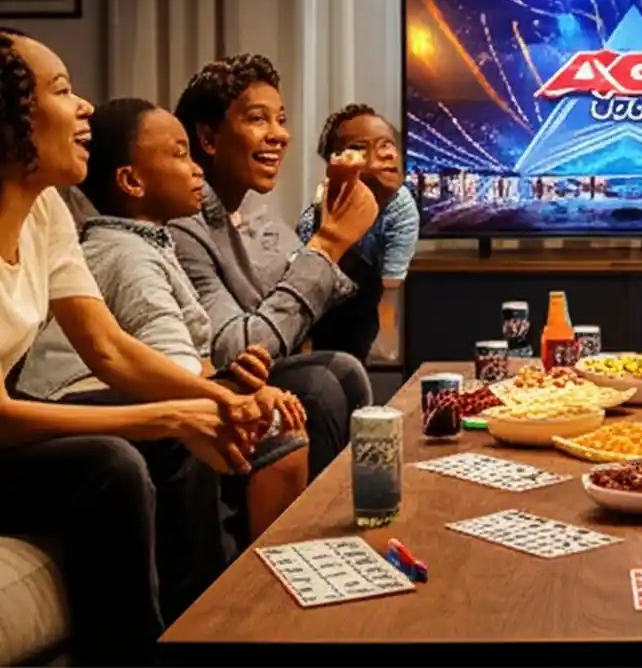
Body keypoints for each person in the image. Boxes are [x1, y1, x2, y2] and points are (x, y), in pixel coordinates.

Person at [0, 28, 268, 664]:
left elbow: (111, 349)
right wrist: (171, 413)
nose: (86, 105)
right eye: (63, 90)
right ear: (9, 120)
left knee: (176, 432)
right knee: (112, 465)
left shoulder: (47, 212)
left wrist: (213, 398)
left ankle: (211, 631)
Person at [16, 98, 310, 542]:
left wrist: (228, 380)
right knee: (267, 426)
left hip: (124, 383)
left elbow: (123, 347)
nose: (196, 170)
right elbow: (149, 360)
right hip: (73, 397)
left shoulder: (126, 234)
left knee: (312, 386)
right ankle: (239, 595)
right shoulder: (126, 251)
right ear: (131, 181)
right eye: (180, 154)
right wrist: (223, 392)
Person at [169, 53, 378, 480]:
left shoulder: (254, 211)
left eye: (281, 119)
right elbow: (239, 348)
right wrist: (327, 243)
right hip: (205, 388)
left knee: (344, 370)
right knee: (319, 387)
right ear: (208, 139)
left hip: (253, 380)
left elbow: (318, 305)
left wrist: (341, 229)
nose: (279, 135)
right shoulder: (181, 225)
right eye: (258, 120)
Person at [297, 103, 418, 363]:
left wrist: (386, 346)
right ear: (336, 161)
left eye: (387, 144)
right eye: (362, 147)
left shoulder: (402, 208)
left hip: (364, 302)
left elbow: (390, 291)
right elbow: (305, 289)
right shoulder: (318, 213)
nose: (385, 154)